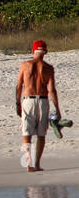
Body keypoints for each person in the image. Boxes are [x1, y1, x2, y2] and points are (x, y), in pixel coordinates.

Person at [16, 39, 61, 172]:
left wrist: (18, 103)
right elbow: (52, 90)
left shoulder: (25, 65)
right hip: (43, 101)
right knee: (41, 134)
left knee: (26, 133)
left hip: (28, 100)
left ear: (32, 51)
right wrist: (57, 109)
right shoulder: (48, 68)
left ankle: (28, 165)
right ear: (45, 51)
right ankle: (37, 164)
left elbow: (19, 85)